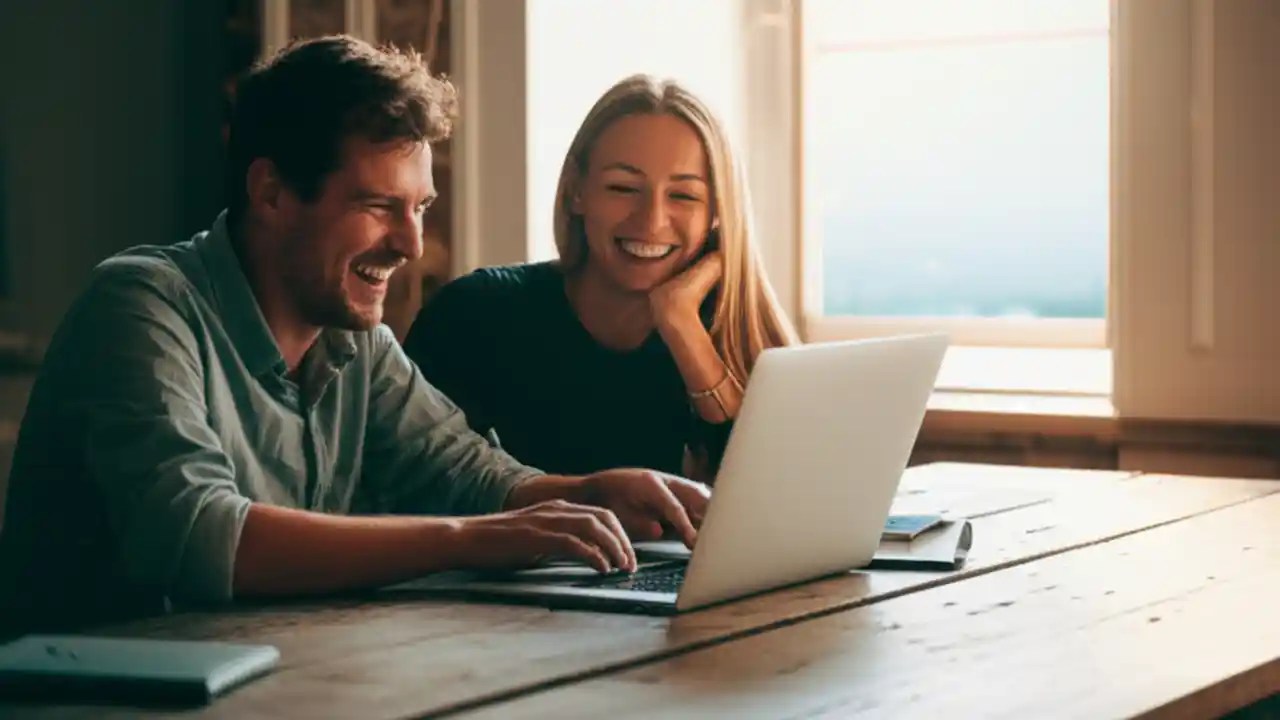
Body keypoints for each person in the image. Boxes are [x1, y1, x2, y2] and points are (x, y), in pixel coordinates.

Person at [0, 37, 708, 635]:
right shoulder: (140, 304)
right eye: (377, 205)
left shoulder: (351, 338)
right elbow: (201, 537)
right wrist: (466, 541)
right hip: (91, 696)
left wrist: (589, 491)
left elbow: (464, 472)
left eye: (420, 207)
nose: (410, 243)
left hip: (272, 682)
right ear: (272, 192)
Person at [403, 75, 796, 483]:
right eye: (622, 188)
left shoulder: (743, 335)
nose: (652, 221)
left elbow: (781, 499)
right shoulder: (472, 317)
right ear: (577, 191)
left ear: (718, 212)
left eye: (683, 196)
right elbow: (403, 489)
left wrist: (683, 328)